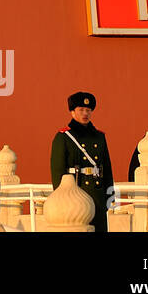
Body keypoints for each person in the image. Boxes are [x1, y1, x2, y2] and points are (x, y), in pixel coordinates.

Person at [50, 91, 114, 232]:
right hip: (77, 193)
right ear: (72, 112)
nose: (85, 113)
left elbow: (107, 168)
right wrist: (61, 198)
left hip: (97, 193)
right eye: (81, 110)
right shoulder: (63, 137)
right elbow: (57, 171)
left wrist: (109, 195)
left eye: (88, 110)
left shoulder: (99, 137)